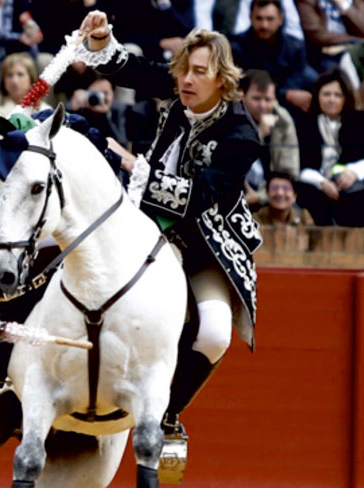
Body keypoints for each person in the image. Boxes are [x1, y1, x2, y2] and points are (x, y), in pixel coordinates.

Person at [77, 12, 263, 445]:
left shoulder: (242, 135)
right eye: (183, 69)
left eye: (200, 72)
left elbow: (199, 198)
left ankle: (166, 412)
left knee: (215, 332)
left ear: (223, 79)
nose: (186, 79)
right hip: (145, 217)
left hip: (206, 240)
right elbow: (135, 71)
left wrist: (128, 162)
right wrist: (103, 41)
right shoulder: (183, 84)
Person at [295, 68, 364, 225]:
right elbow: (300, 167)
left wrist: (353, 172)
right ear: (318, 96)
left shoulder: (359, 122)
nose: (331, 99)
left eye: (337, 95)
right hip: (318, 183)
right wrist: (322, 182)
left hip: (351, 183)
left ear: (346, 98)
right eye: (326, 94)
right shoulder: (306, 124)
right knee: (309, 193)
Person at [229, 0, 314, 112]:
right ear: (250, 18)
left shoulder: (295, 48)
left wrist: (286, 95)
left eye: (270, 19)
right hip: (246, 105)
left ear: (280, 19)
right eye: (259, 18)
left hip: (286, 107)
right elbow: (237, 86)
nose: (264, 25)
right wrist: (286, 94)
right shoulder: (235, 47)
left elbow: (294, 85)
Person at [239, 69, 300, 208]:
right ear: (242, 96)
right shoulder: (231, 118)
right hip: (238, 190)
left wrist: (261, 197)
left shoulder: (283, 121)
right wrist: (259, 134)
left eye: (268, 99)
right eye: (256, 98)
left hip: (271, 194)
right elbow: (231, 166)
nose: (263, 105)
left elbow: (290, 173)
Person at [0, 52, 51, 118]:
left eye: (20, 74)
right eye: (9, 75)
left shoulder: (45, 110)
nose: (15, 81)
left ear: (31, 78)